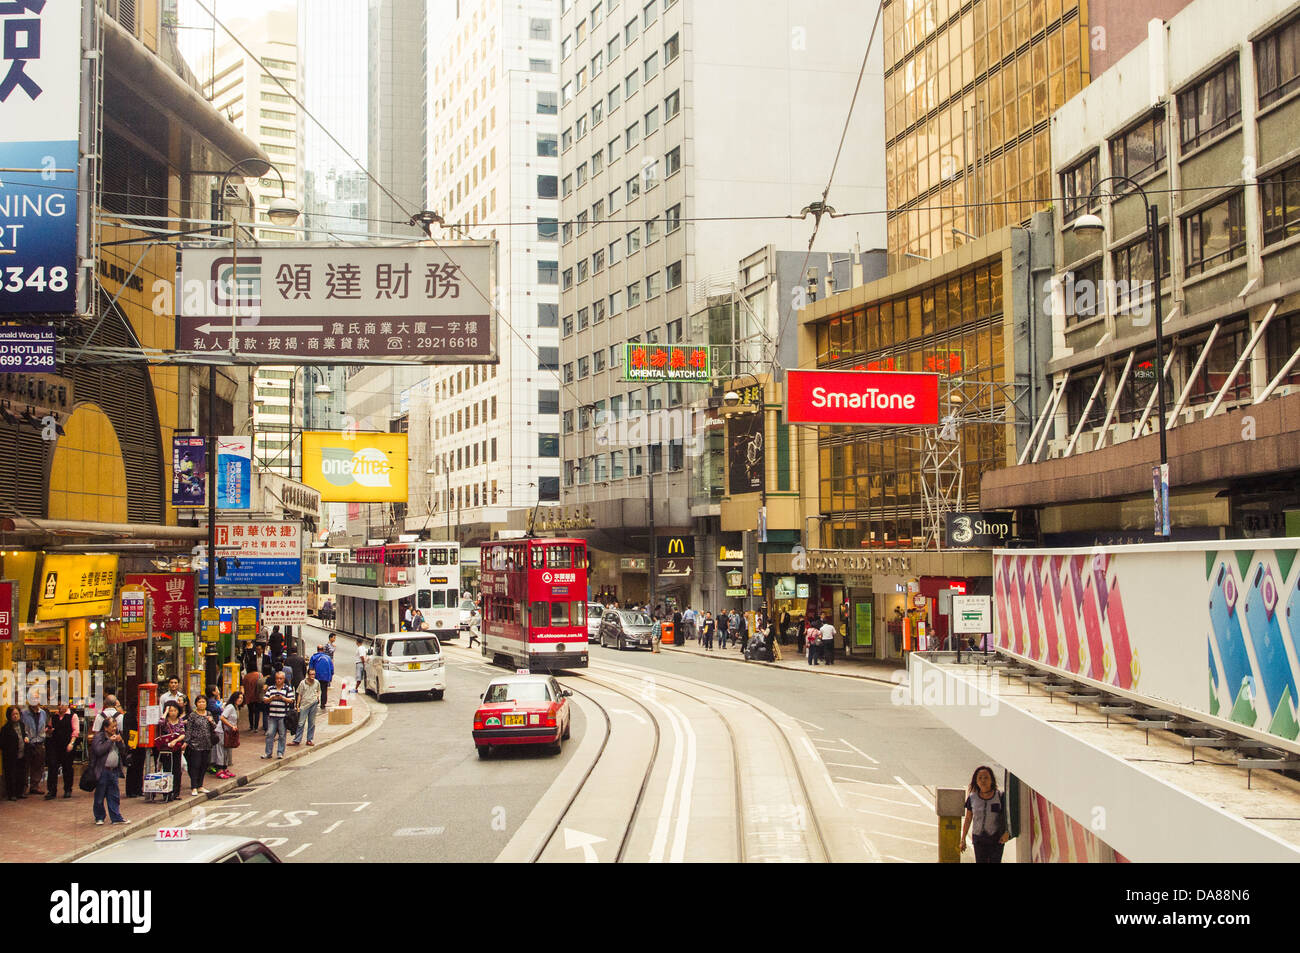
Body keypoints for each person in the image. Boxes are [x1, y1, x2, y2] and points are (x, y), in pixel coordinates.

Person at [961, 765, 1011, 863]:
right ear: (976, 781)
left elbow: (1008, 817)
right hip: (979, 839)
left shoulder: (1000, 796)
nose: (983, 780)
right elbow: (968, 819)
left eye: (986, 777)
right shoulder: (972, 798)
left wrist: (1007, 833)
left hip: (996, 839)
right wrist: (963, 839)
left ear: (991, 780)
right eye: (980, 778)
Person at [88, 716, 128, 825]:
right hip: (102, 770)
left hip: (114, 770)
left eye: (115, 726)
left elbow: (123, 751)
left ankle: (116, 817)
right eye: (112, 727)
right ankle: (99, 817)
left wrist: (120, 742)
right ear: (105, 728)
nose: (114, 729)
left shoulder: (117, 735)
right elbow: (98, 750)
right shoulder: (99, 737)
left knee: (114, 795)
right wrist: (110, 741)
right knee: (100, 795)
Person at [44, 700, 79, 799]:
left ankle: (68, 789)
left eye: (62, 704)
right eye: (58, 704)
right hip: (55, 745)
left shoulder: (73, 716)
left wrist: (71, 743)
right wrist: (49, 730)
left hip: (67, 745)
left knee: (67, 767)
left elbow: (75, 731)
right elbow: (48, 728)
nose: (60, 707)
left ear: (67, 705)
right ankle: (51, 790)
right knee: (52, 766)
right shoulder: (54, 716)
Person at [183, 694, 216, 795]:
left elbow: (214, 727)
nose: (202, 704)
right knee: (195, 765)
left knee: (204, 765)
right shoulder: (192, 715)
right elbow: (189, 730)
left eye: (203, 702)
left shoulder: (209, 713)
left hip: (207, 744)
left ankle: (200, 785)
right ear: (196, 704)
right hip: (195, 744)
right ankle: (194, 787)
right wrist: (186, 742)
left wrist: (211, 721)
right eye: (199, 702)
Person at [156, 702, 186, 802]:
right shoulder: (165, 721)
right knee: (167, 770)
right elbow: (160, 723)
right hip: (166, 749)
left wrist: (176, 741)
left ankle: (175, 792)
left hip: (176, 748)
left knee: (177, 770)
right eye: (171, 711)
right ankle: (166, 792)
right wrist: (165, 713)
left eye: (175, 710)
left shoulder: (180, 721)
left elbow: (183, 734)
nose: (173, 713)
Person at [261, 671, 294, 760]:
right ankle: (268, 753)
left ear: (284, 679)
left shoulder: (287, 689)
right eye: (277, 678)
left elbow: (291, 700)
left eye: (281, 678)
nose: (279, 680)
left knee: (282, 735)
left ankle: (280, 752)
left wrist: (283, 698)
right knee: (269, 734)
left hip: (283, 716)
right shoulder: (271, 688)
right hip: (272, 715)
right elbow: (265, 699)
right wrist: (271, 698)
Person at [211, 691, 242, 781]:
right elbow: (222, 717)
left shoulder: (235, 707)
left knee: (226, 750)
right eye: (238, 698)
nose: (240, 699)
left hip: (228, 733)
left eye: (241, 698)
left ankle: (224, 768)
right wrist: (231, 726)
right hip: (222, 732)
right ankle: (220, 770)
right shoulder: (230, 707)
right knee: (221, 750)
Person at [21, 698, 47, 796]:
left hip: (39, 741)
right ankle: (23, 788)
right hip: (28, 742)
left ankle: (34, 786)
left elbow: (44, 724)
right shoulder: (24, 713)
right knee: (25, 766)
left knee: (38, 765)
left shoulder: (43, 713)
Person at [1, 706, 27, 800]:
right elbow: (3, 743)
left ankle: (20, 792)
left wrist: (26, 738)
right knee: (11, 775)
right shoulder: (6, 728)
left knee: (21, 774)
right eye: (13, 714)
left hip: (22, 753)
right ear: (9, 716)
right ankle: (12, 794)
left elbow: (24, 735)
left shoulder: (22, 725)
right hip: (11, 756)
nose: (15, 716)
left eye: (17, 714)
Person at [291, 667, 321, 747]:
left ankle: (309, 739)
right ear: (308, 674)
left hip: (313, 704)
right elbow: (299, 694)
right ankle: (297, 739)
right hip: (304, 705)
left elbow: (318, 691)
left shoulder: (317, 682)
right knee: (301, 723)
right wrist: (297, 705)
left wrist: (318, 697)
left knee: (312, 723)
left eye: (314, 674)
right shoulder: (302, 683)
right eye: (311, 674)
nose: (312, 676)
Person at [310, 644, 334, 711]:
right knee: (324, 690)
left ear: (317, 650)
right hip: (326, 677)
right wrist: (331, 677)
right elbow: (332, 669)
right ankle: (323, 704)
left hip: (316, 676)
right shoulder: (328, 658)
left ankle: (314, 703)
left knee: (315, 690)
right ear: (323, 650)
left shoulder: (314, 657)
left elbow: (310, 668)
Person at [243, 665, 266, 733]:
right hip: (257, 696)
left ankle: (251, 726)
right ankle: (256, 727)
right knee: (257, 711)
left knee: (250, 711)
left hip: (249, 696)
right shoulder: (259, 675)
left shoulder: (246, 676)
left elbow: (244, 685)